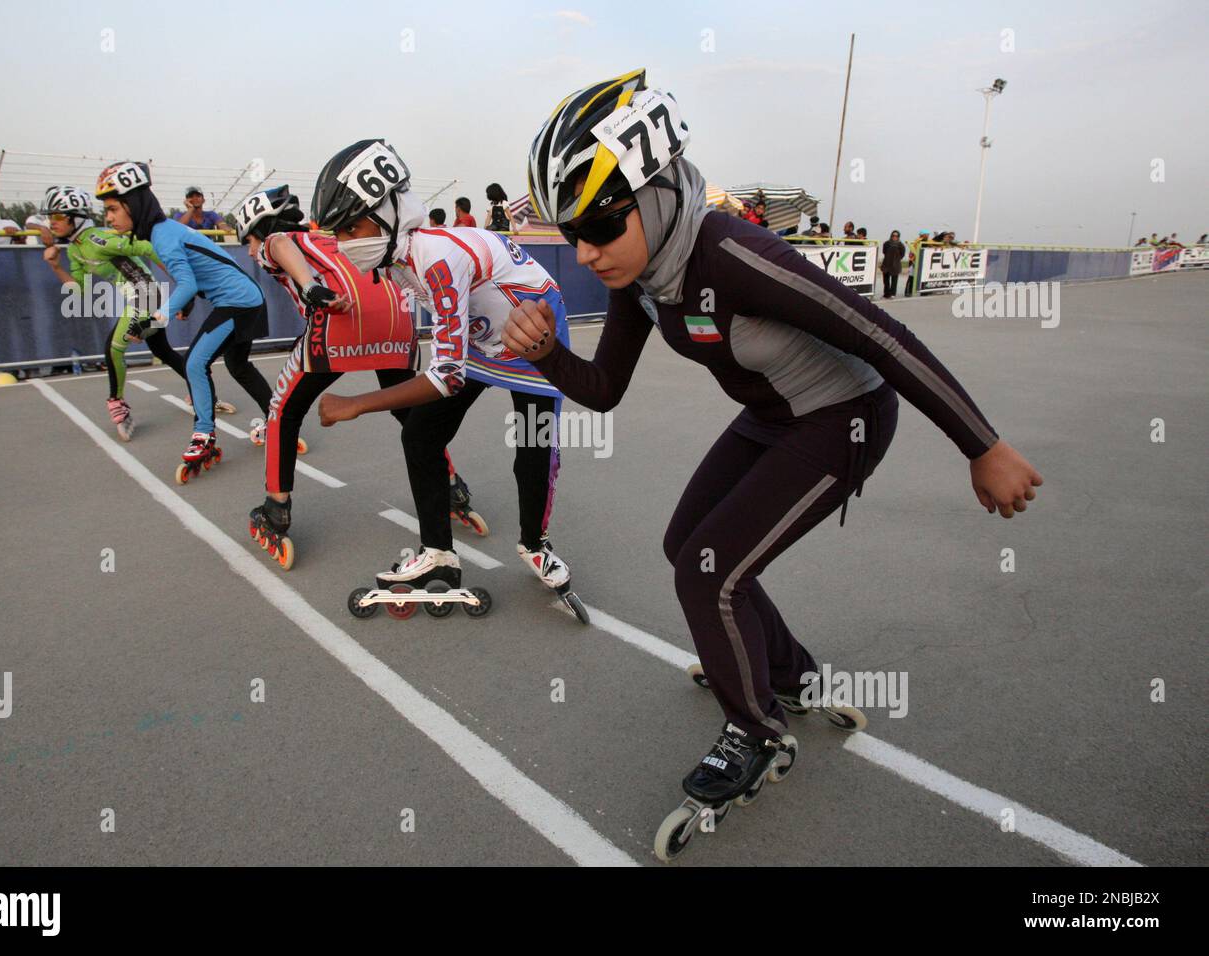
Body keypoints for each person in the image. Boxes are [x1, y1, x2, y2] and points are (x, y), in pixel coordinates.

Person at [513, 69, 1042, 822]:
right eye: (573, 235)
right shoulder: (644, 276)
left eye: (600, 226)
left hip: (843, 417)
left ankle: (756, 733)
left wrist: (981, 445)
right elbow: (604, 390)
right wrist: (545, 355)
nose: (587, 252)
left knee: (708, 571)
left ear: (659, 194)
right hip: (773, 416)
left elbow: (882, 335)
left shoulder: (733, 253)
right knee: (686, 548)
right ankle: (788, 676)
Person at [310, 139, 583, 615]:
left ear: (390, 215)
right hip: (483, 338)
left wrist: (354, 404)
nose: (346, 243)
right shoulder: (397, 261)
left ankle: (535, 544)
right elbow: (445, 346)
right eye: (339, 233)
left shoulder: (436, 256)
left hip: (535, 335)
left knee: (533, 449)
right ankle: (437, 551)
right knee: (421, 434)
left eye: (353, 227)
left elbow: (445, 378)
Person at [231, 185, 487, 569]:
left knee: (282, 411)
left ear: (259, 230)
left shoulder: (285, 239)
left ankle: (275, 509)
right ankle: (452, 488)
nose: (250, 251)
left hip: (340, 319)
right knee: (409, 413)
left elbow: (279, 242)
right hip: (397, 322)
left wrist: (310, 285)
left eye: (248, 241)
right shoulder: (342, 234)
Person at [96, 161, 273, 477]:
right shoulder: (162, 232)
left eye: (112, 208)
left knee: (195, 363)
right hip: (246, 296)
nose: (108, 217)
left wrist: (151, 322)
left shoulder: (162, 235)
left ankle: (203, 436)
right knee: (238, 366)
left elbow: (188, 282)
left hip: (238, 301)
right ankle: (277, 420)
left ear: (132, 204)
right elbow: (195, 273)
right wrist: (188, 303)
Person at [38, 186, 189, 439]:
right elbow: (80, 290)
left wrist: (183, 288)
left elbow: (147, 248)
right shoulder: (75, 250)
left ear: (77, 217)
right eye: (49, 217)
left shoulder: (99, 239)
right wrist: (55, 267)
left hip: (146, 294)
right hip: (137, 297)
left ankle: (117, 402)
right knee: (161, 350)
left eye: (58, 217)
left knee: (113, 348)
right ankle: (202, 387)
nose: (52, 223)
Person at [881, 229, 905, 299]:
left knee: (894, 280)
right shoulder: (886, 243)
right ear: (891, 236)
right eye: (893, 235)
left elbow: (902, 254)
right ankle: (886, 294)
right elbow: (884, 251)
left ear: (898, 237)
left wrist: (896, 259)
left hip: (895, 265)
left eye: (896, 236)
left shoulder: (901, 245)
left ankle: (892, 293)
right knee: (886, 281)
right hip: (886, 264)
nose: (895, 237)